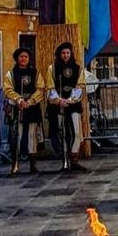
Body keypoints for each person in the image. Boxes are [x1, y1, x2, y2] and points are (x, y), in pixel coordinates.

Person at [46, 42, 89, 172]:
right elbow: (50, 86)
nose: (65, 55)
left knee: (76, 132)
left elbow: (80, 86)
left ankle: (74, 160)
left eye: (68, 53)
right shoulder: (52, 69)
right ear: (59, 55)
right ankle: (64, 159)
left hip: (73, 105)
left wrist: (70, 100)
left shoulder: (78, 68)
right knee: (61, 133)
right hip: (57, 105)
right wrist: (59, 100)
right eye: (63, 53)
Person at [4, 48, 45, 174]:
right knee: (17, 135)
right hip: (17, 107)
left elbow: (41, 88)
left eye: (26, 57)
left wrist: (30, 102)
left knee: (32, 135)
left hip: (32, 107)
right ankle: (15, 164)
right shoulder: (11, 73)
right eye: (21, 56)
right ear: (17, 58)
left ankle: (33, 164)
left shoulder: (35, 73)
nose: (23, 59)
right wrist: (19, 100)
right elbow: (8, 89)